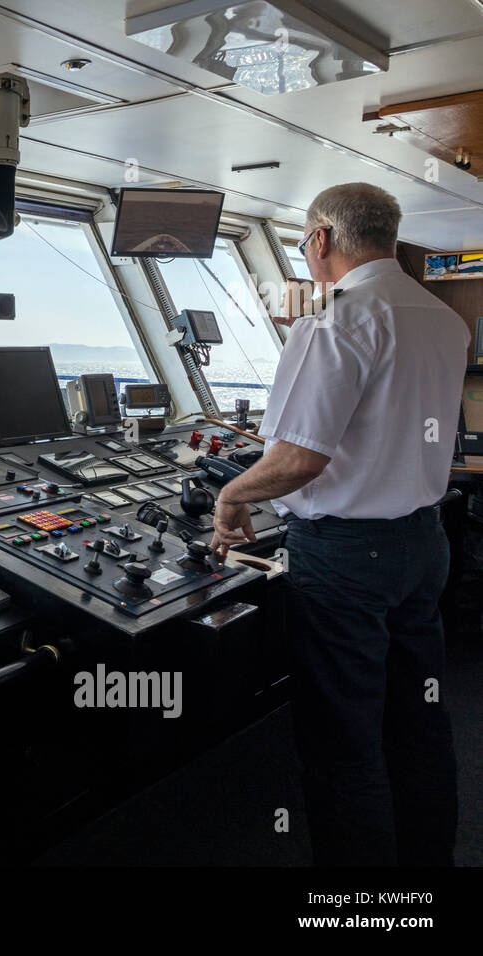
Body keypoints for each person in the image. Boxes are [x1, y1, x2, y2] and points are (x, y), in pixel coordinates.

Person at [210, 182, 469, 866]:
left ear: (322, 238)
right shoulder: (443, 317)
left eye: (301, 240)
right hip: (422, 542)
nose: (305, 252)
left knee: (342, 740)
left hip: (347, 559)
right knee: (419, 721)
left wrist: (232, 494)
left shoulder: (332, 319)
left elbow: (297, 459)